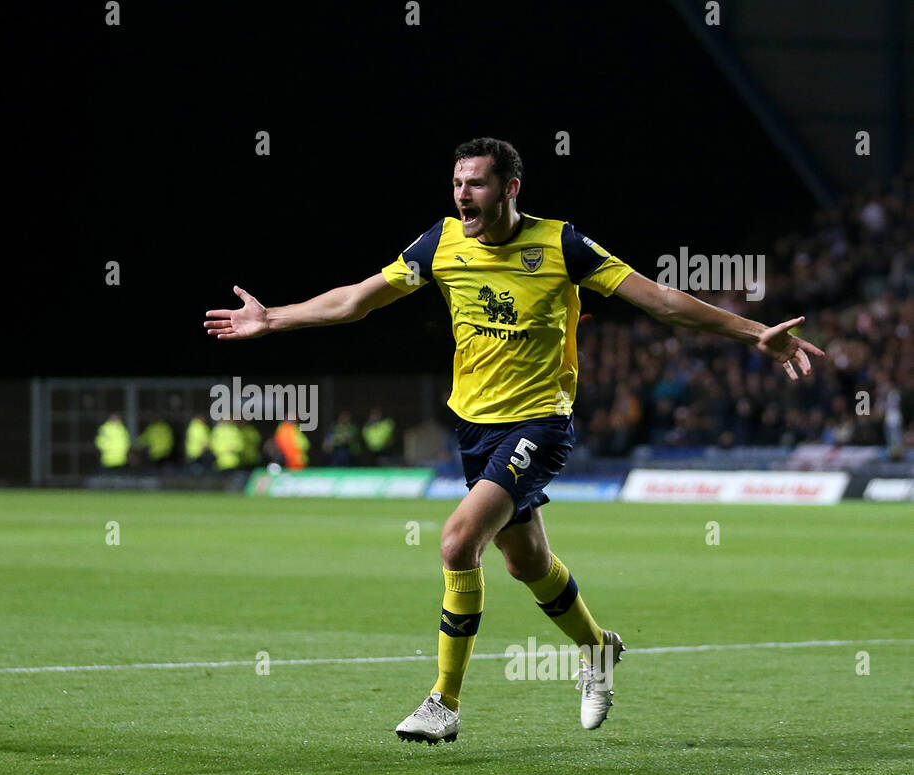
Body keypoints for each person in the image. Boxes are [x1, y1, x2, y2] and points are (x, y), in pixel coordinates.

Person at [206, 137, 823, 742]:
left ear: (510, 188)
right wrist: (274, 318)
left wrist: (752, 334)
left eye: (475, 183)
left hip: (539, 424)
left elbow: (660, 300)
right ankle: (597, 648)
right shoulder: (442, 243)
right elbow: (356, 301)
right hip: (473, 428)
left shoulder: (562, 245)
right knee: (525, 561)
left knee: (456, 542)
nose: (463, 195)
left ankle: (442, 703)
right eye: (456, 183)